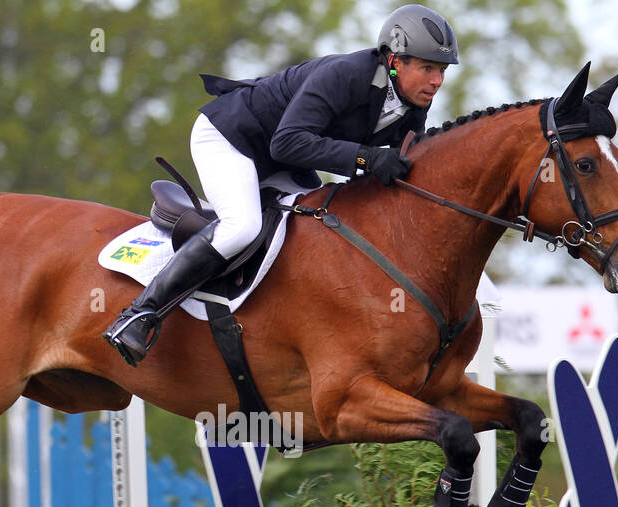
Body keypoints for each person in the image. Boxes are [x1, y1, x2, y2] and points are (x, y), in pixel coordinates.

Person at [104, 3, 459, 366]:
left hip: (287, 160)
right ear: (396, 61)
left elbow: (406, 167)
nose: (437, 81)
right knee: (242, 227)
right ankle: (138, 314)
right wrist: (366, 158)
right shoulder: (345, 74)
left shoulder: (413, 103)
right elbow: (287, 141)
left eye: (442, 71)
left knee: (318, 231)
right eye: (428, 68)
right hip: (233, 139)